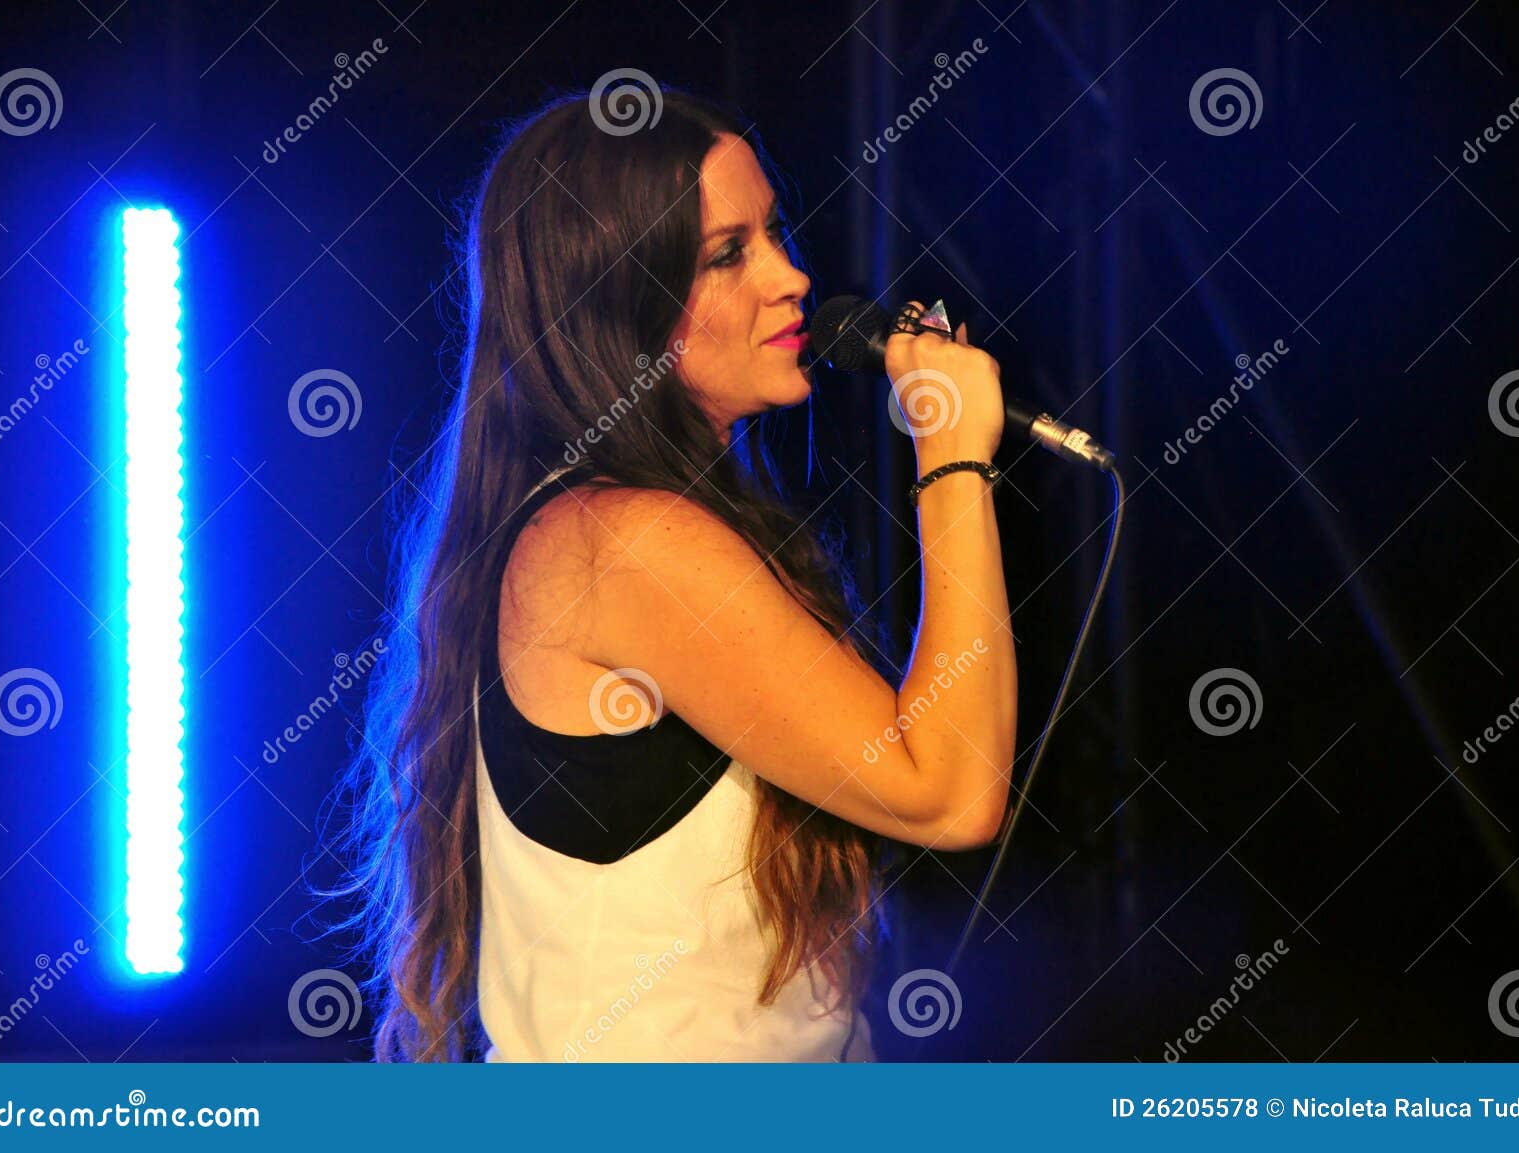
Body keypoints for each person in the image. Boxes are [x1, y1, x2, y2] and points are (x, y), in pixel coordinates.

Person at [324, 87, 1016, 1062]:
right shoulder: (618, 541)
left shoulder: (627, 524)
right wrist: (951, 459)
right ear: (619, 298)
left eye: (774, 233)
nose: (792, 278)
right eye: (728, 254)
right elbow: (948, 791)